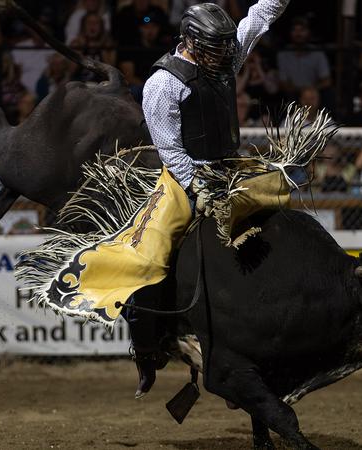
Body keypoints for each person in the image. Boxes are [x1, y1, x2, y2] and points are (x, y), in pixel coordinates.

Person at [136, 0, 291, 397]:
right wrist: (199, 188)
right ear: (190, 41)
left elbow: (258, 17)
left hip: (230, 168)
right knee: (152, 253)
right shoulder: (163, 84)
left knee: (282, 200)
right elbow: (170, 151)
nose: (224, 54)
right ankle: (148, 344)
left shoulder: (222, 60)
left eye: (226, 46)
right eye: (215, 46)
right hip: (184, 177)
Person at [276, 17, 331, 99]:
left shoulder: (318, 53)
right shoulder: (283, 54)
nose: (298, 34)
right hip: (292, 93)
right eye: (295, 30)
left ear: (308, 32)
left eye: (302, 30)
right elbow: (283, 82)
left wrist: (309, 91)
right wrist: (300, 91)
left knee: (326, 94)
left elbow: (327, 81)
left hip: (314, 93)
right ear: (290, 33)